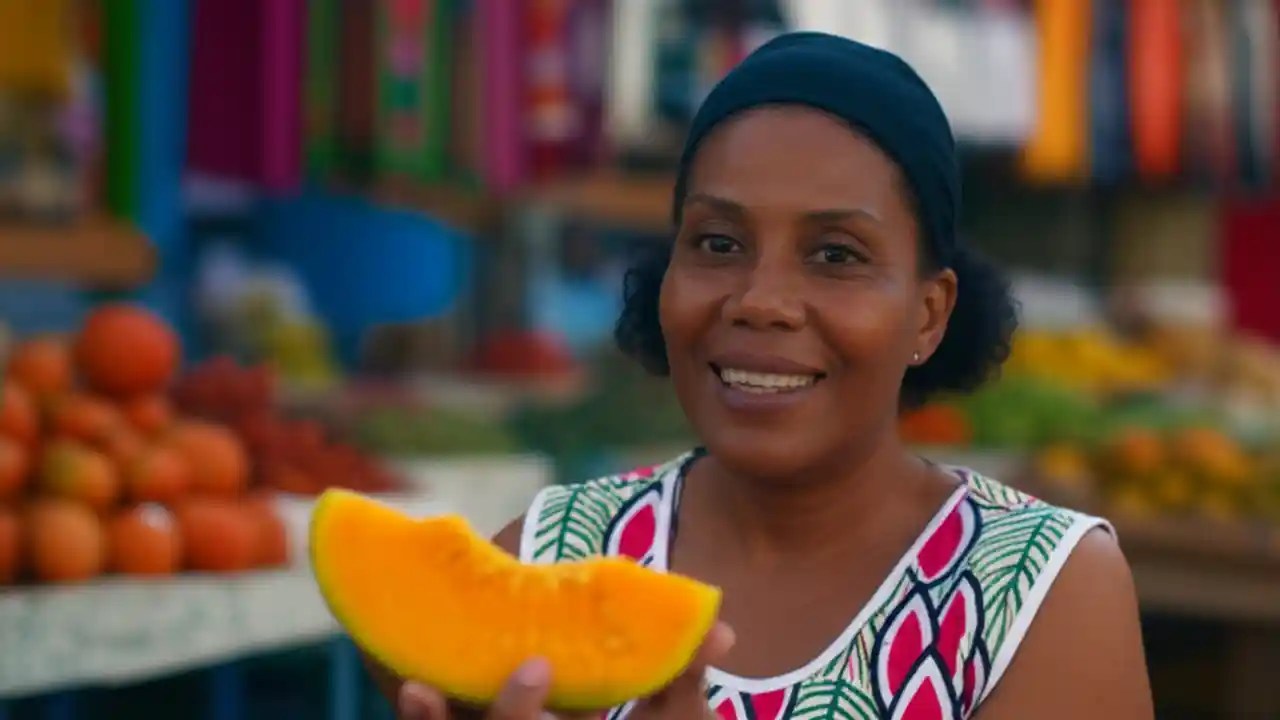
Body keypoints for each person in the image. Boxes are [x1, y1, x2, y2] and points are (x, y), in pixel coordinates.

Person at [375, 31, 1155, 720]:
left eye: (836, 255)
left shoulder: (1037, 592)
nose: (761, 301)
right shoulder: (554, 550)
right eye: (718, 244)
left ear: (927, 314)